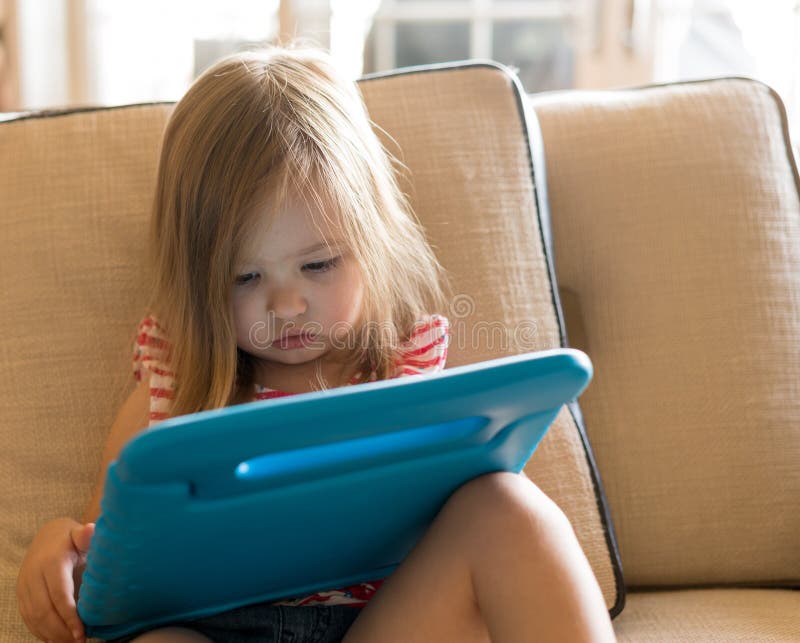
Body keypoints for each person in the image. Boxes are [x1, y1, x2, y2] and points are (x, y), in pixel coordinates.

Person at [16, 43, 616, 643]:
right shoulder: (176, 379)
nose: (287, 305)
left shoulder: (403, 365)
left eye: (319, 264)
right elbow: (106, 546)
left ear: (372, 242)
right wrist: (61, 551)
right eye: (245, 277)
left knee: (506, 508)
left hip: (382, 626)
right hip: (213, 630)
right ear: (196, 282)